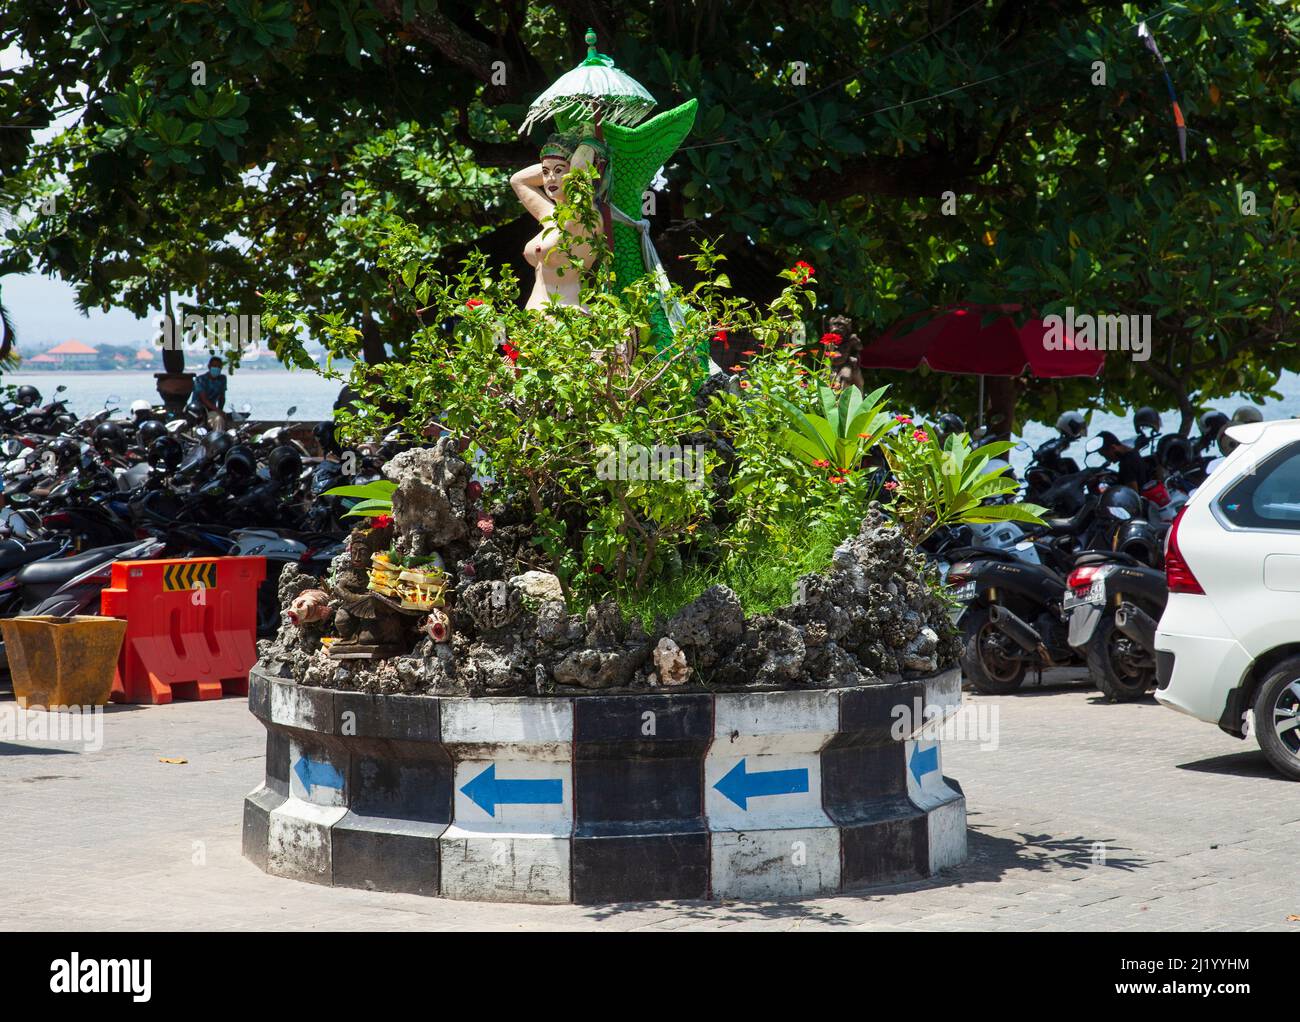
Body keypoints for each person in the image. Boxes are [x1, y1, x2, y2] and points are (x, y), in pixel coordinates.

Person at [510, 133, 599, 311]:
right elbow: (518, 180)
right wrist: (551, 164)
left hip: (568, 314)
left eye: (559, 171)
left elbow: (580, 167)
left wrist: (588, 142)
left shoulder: (582, 214)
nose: (550, 178)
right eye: (545, 173)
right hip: (538, 319)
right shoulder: (553, 218)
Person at [189, 355, 229, 430]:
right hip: (198, 411)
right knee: (218, 419)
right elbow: (204, 399)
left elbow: (222, 397)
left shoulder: (222, 379)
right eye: (214, 366)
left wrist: (220, 410)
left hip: (212, 410)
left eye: (218, 366)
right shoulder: (200, 379)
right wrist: (218, 411)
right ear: (209, 366)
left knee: (220, 419)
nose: (216, 368)